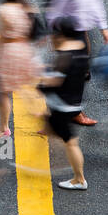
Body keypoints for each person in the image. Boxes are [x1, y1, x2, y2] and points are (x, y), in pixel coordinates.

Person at [45, 0, 108, 126]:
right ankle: (55, 117)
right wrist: (55, 36)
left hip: (81, 33)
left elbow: (97, 3)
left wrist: (103, 28)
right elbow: (52, 14)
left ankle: (72, 112)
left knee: (79, 75)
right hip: (66, 34)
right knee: (65, 75)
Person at [0, 0, 39, 143]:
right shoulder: (26, 6)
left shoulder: (3, 10)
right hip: (24, 50)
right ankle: (44, 117)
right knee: (26, 86)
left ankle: (3, 128)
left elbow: (1, 37)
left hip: (9, 52)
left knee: (3, 92)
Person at [42, 20, 89, 192]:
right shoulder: (81, 48)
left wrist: (41, 80)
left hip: (63, 105)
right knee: (61, 133)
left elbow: (55, 81)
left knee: (70, 142)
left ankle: (79, 179)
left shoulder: (65, 55)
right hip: (75, 101)